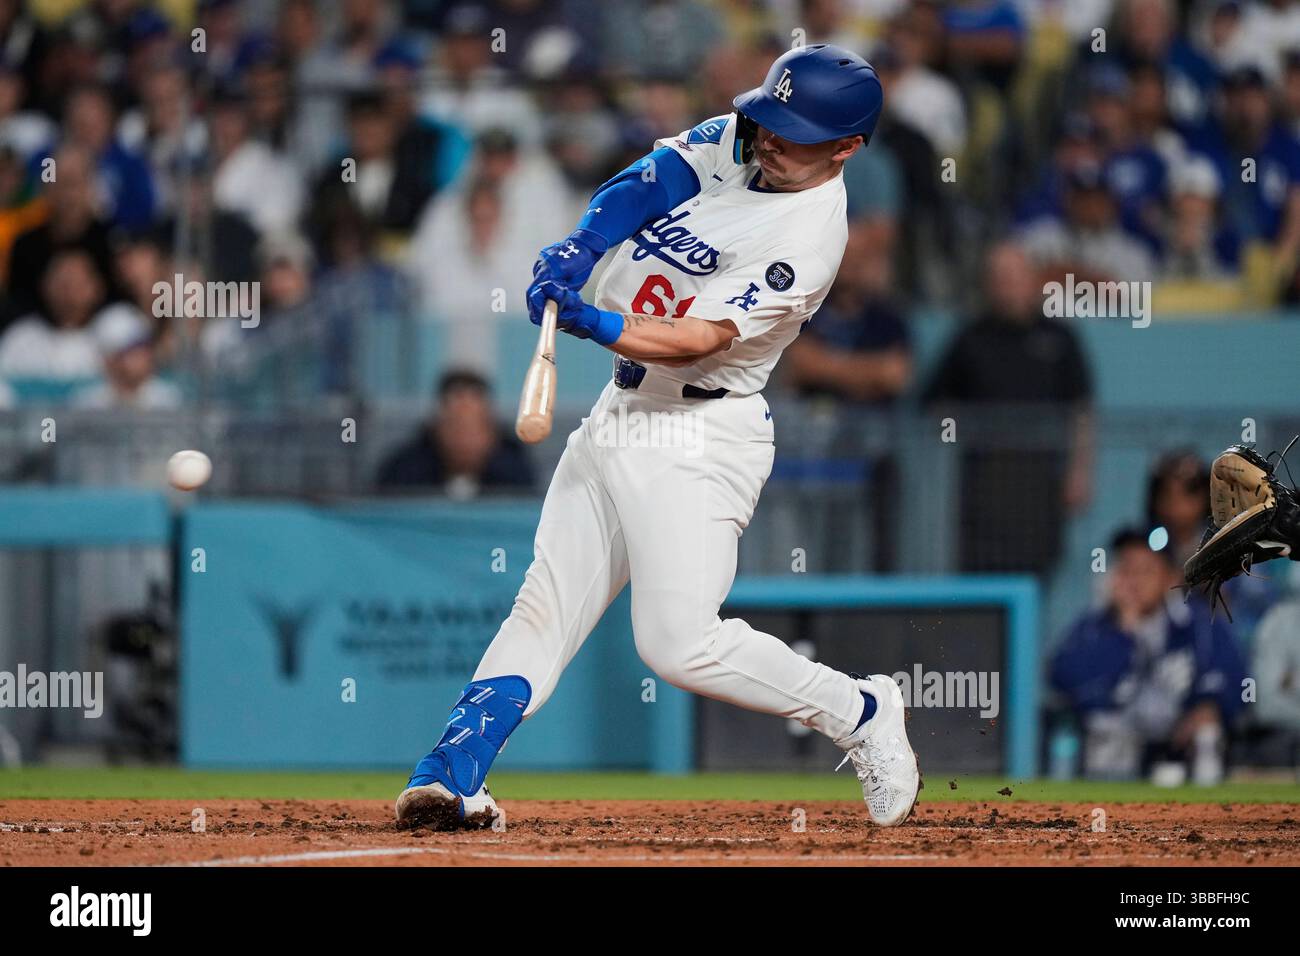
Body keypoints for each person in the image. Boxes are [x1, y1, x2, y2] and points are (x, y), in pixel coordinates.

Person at [395, 45, 920, 832]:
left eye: (793, 131)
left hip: (700, 433)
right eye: (769, 117)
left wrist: (596, 320)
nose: (768, 137)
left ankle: (863, 708)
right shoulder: (746, 136)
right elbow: (649, 181)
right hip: (620, 412)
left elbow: (701, 337)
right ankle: (451, 771)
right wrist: (580, 246)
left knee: (678, 644)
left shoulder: (809, 238)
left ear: (846, 148)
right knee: (545, 602)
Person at [922, 242, 1094, 574]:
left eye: (1014, 276)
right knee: (984, 572)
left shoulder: (1060, 338)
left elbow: (1081, 411)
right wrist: (962, 429)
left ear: (1032, 279)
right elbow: (934, 405)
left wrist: (1079, 472)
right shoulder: (970, 338)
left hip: (1040, 484)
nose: (1007, 285)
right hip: (985, 485)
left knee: (1039, 570)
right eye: (999, 277)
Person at [1050, 527, 1247, 781]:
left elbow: (1234, 674)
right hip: (1119, 739)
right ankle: (1112, 810)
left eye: (1145, 571)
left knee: (1207, 732)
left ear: (1170, 578)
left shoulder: (1196, 622)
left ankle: (1206, 814)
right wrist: (1123, 634)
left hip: (1178, 738)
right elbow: (1063, 677)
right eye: (1126, 570)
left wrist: (1210, 705)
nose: (1134, 581)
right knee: (1105, 730)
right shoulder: (1096, 626)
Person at [375, 370, 534, 497]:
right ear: (437, 427)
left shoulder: (517, 476)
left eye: (474, 428)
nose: (465, 440)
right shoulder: (403, 474)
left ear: (492, 431)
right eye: (456, 426)